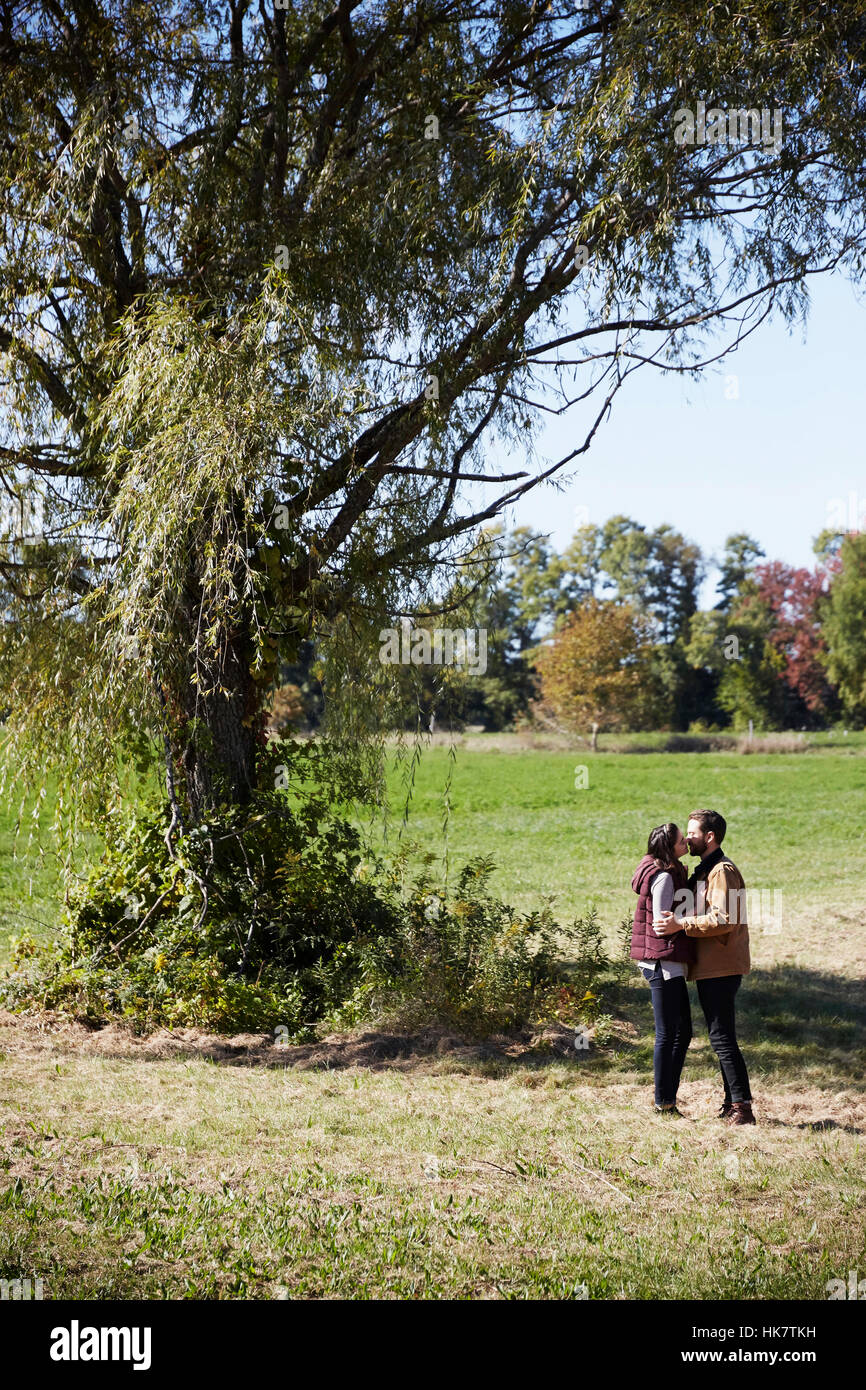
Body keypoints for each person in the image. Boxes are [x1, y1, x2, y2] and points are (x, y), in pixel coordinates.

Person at [653, 808, 755, 1126]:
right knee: (720, 1035)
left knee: (722, 1037)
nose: (687, 839)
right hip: (711, 966)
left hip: (722, 966)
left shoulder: (722, 871)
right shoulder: (705, 871)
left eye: (692, 833)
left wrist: (680, 925)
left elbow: (724, 919)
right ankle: (731, 1103)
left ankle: (742, 1108)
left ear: (709, 837)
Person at [630, 823, 696, 1117]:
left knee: (681, 1032)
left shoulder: (669, 870)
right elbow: (661, 923)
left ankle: (668, 1098)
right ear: (669, 848)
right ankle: (663, 1102)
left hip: (666, 962)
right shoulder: (665, 876)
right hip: (662, 963)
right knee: (669, 1034)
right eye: (682, 841)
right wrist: (692, 918)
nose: (686, 842)